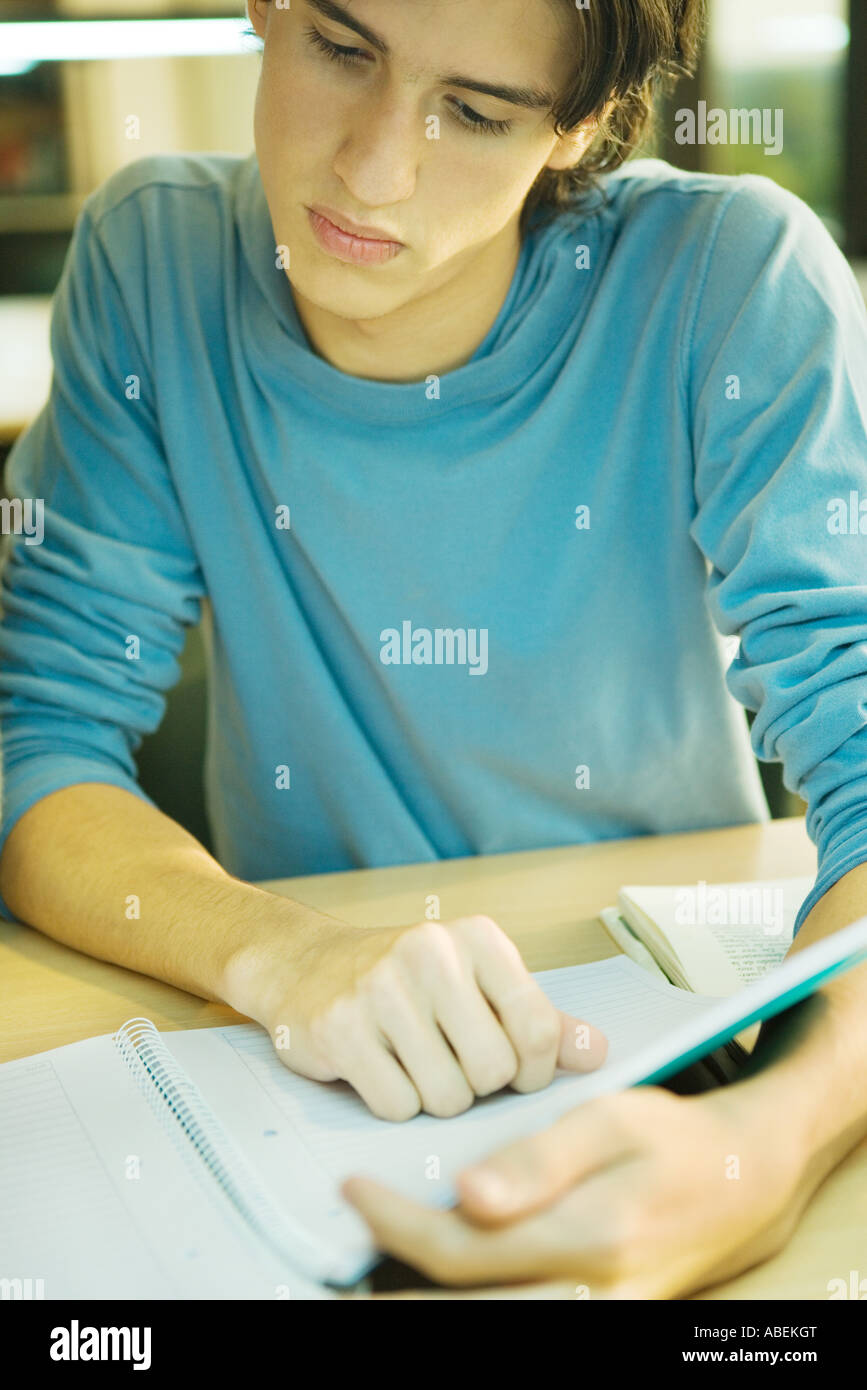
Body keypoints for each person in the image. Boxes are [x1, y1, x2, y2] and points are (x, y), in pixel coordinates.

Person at [1, 0, 866, 1298]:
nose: (372, 168)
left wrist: (773, 1139)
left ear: (579, 123)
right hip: (301, 1071)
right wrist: (274, 951)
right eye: (341, 51)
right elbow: (36, 742)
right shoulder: (155, 262)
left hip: (676, 1044)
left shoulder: (734, 282)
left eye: (475, 111)